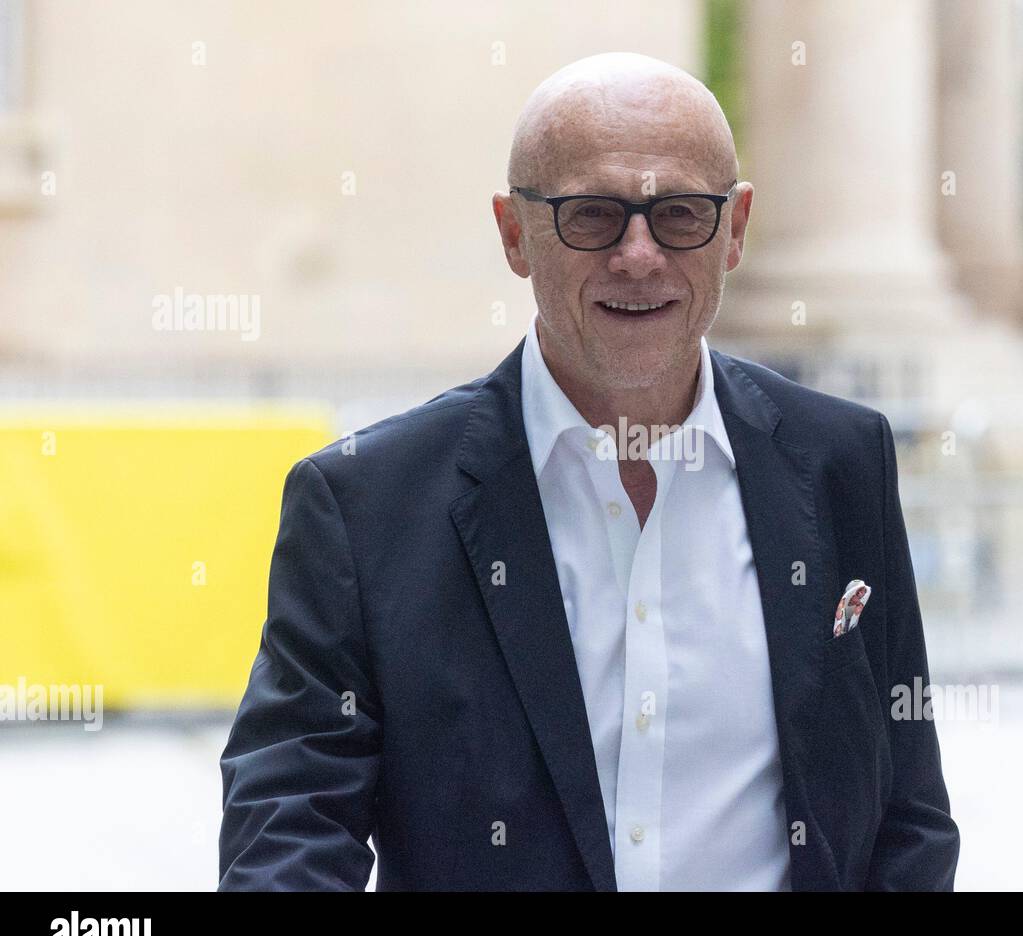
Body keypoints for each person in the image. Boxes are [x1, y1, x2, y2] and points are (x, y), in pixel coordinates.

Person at [218, 52, 959, 891]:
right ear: (513, 233)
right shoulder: (364, 505)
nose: (638, 256)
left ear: (737, 228)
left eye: (680, 214)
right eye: (592, 215)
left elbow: (910, 812)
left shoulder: (843, 462)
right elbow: (288, 825)